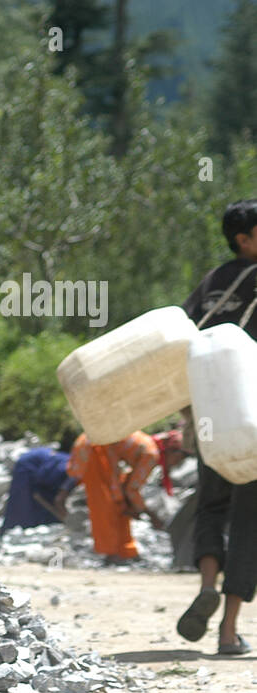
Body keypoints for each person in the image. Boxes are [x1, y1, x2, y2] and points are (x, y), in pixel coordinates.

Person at [176, 199, 257, 655]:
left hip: (210, 414)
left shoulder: (211, 282)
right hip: (252, 416)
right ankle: (228, 632)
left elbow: (182, 342)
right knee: (249, 519)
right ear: (243, 239)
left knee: (210, 506)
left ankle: (207, 582)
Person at [66, 430, 176, 564]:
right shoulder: (151, 454)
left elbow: (128, 486)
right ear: (173, 451)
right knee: (105, 503)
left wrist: (132, 505)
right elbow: (132, 490)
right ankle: (111, 553)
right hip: (95, 450)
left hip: (100, 448)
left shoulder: (147, 447)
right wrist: (149, 514)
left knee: (119, 503)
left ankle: (124, 551)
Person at [1, 442, 78, 531]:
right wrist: (65, 518)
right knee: (22, 505)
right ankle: (11, 531)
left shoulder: (75, 469)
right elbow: (58, 500)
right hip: (29, 466)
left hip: (43, 464)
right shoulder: (73, 475)